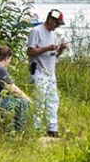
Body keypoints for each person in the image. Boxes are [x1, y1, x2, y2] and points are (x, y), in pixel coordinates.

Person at [26, 9, 67, 137]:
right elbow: (30, 52)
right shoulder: (36, 31)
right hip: (38, 71)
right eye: (57, 23)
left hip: (51, 72)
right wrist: (47, 48)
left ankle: (52, 128)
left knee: (53, 100)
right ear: (50, 19)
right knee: (39, 100)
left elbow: (54, 55)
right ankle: (36, 128)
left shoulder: (54, 35)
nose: (57, 26)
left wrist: (60, 50)